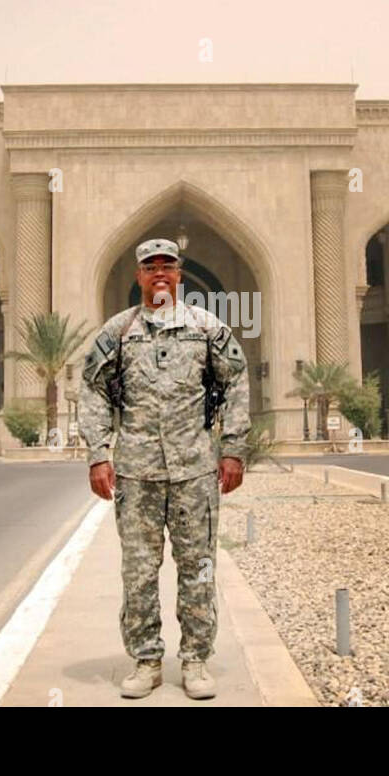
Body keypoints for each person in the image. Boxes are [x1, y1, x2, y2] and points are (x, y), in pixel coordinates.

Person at [78, 237, 250, 699]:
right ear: (139, 276)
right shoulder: (118, 331)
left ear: (179, 275)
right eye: (150, 266)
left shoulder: (206, 328)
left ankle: (195, 661)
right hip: (137, 473)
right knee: (138, 572)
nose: (159, 273)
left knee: (197, 567)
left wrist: (232, 449)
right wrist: (98, 453)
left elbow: (236, 381)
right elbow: (92, 389)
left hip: (195, 471)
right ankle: (146, 660)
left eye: (167, 266)